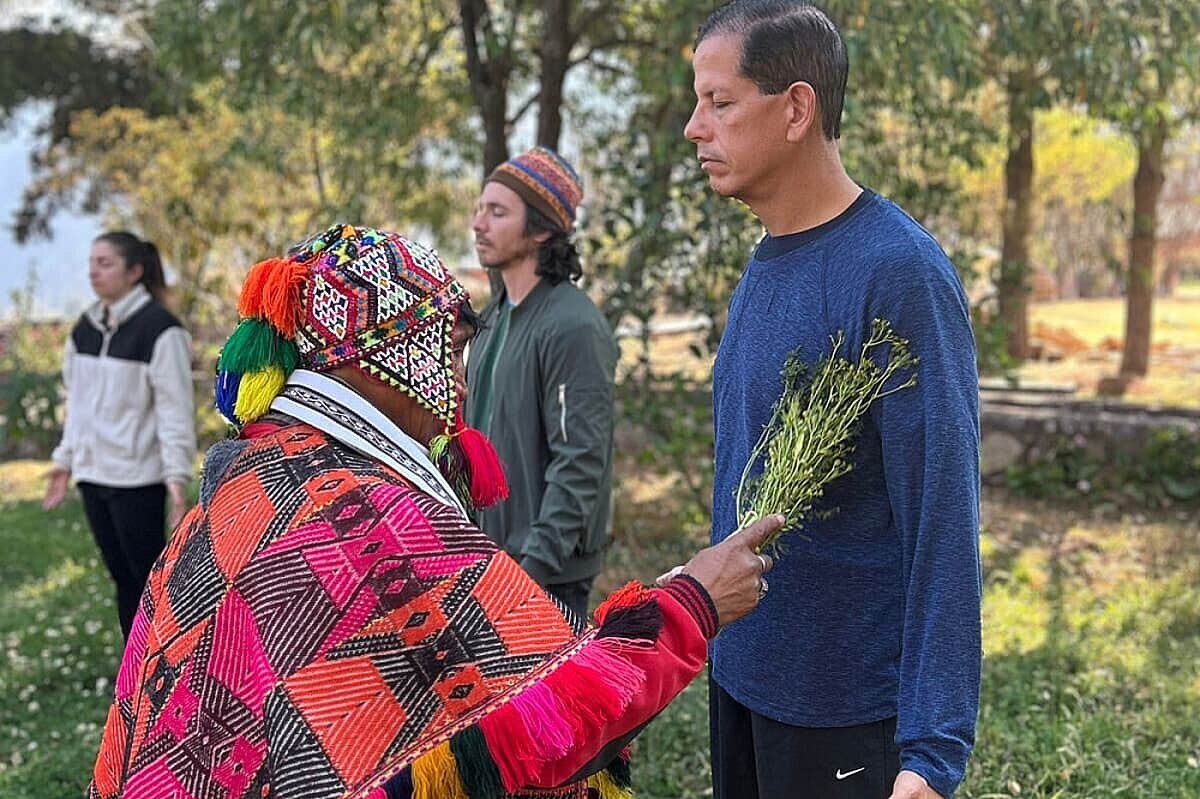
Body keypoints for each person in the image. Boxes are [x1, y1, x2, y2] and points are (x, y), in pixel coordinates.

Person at [87, 223, 780, 799]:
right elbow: (544, 719)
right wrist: (693, 603)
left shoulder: (253, 470)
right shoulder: (374, 516)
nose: (457, 381)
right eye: (448, 351)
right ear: (396, 355)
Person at [683, 3, 982, 798]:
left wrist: (933, 749)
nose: (693, 127)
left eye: (719, 102)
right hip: (742, 676)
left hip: (845, 711)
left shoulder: (898, 272)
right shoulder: (766, 261)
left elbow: (943, 515)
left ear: (796, 109)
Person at [466, 147, 618, 619]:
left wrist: (532, 568)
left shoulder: (572, 326)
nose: (478, 224)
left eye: (497, 212)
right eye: (479, 209)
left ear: (541, 230)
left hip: (546, 576)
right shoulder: (492, 319)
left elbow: (580, 459)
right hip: (493, 562)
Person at [43, 231, 196, 639]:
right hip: (93, 477)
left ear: (135, 271)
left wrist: (177, 481)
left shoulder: (161, 331)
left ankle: (161, 666)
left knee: (150, 586)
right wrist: (64, 462)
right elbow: (76, 406)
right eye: (92, 262)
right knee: (123, 583)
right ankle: (136, 673)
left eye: (105, 263)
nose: (93, 271)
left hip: (137, 481)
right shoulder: (84, 331)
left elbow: (174, 413)